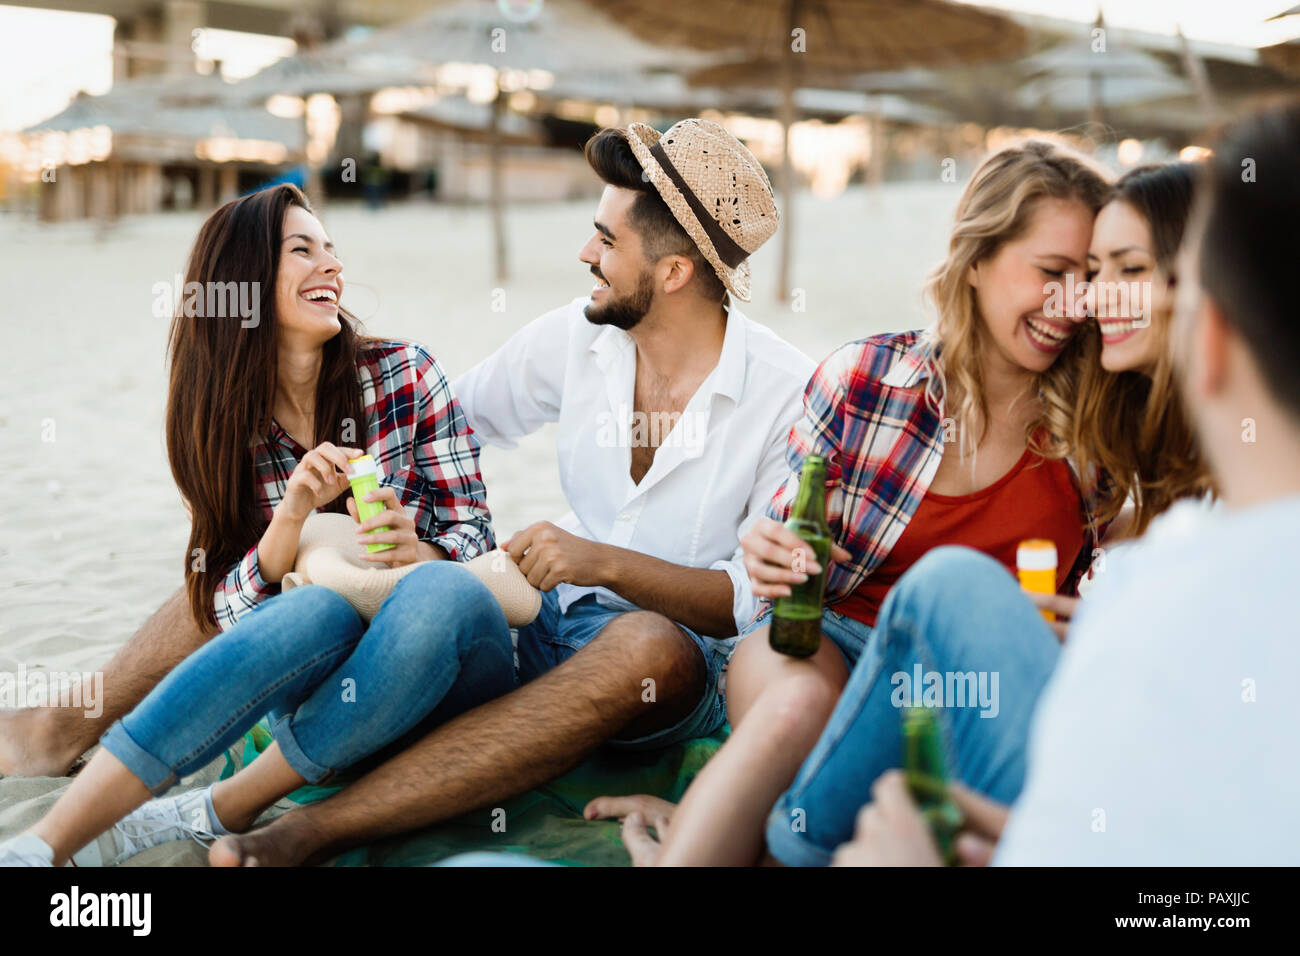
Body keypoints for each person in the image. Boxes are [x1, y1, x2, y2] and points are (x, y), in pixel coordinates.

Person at [187, 118, 816, 867]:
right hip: (531, 620)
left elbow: (751, 601)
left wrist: (601, 562)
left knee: (650, 645)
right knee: (422, 598)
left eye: (607, 241)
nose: (586, 253)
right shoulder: (575, 338)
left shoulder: (788, 397)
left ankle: (309, 832)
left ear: (675, 271)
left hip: (664, 670)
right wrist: (375, 511)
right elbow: (447, 422)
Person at [588, 138, 1114, 865]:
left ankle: (738, 833)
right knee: (798, 705)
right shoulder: (866, 377)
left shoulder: (1100, 429)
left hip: (973, 680)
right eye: (1052, 272)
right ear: (978, 256)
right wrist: (769, 549)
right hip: (825, 642)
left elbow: (1135, 592)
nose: (1073, 303)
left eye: (1089, 278)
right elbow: (778, 539)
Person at [828, 98, 1300, 866]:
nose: (1088, 300)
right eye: (1080, 271)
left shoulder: (1174, 544)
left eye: (1125, 271)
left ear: (1205, 329)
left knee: (951, 589)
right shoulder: (1154, 478)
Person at [0, 183, 508, 867]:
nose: (330, 264)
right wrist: (292, 519)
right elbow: (227, 612)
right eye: (303, 250)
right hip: (324, 694)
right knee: (314, 611)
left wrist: (420, 546)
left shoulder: (406, 376)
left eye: (331, 249)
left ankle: (222, 805)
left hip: (451, 672)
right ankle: (44, 845)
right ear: (242, 282)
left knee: (438, 594)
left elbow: (478, 535)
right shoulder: (223, 429)